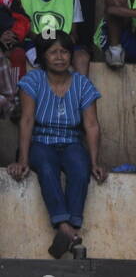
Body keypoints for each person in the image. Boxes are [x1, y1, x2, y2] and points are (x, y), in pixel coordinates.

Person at [7, 31, 104, 258]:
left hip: (71, 141)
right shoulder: (32, 80)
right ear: (43, 56)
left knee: (80, 169)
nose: (60, 57)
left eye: (64, 52)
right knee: (47, 169)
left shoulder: (82, 84)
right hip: (41, 141)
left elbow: (91, 125)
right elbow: (27, 120)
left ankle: (66, 229)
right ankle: (66, 228)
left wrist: (95, 161)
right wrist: (23, 158)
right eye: (53, 52)